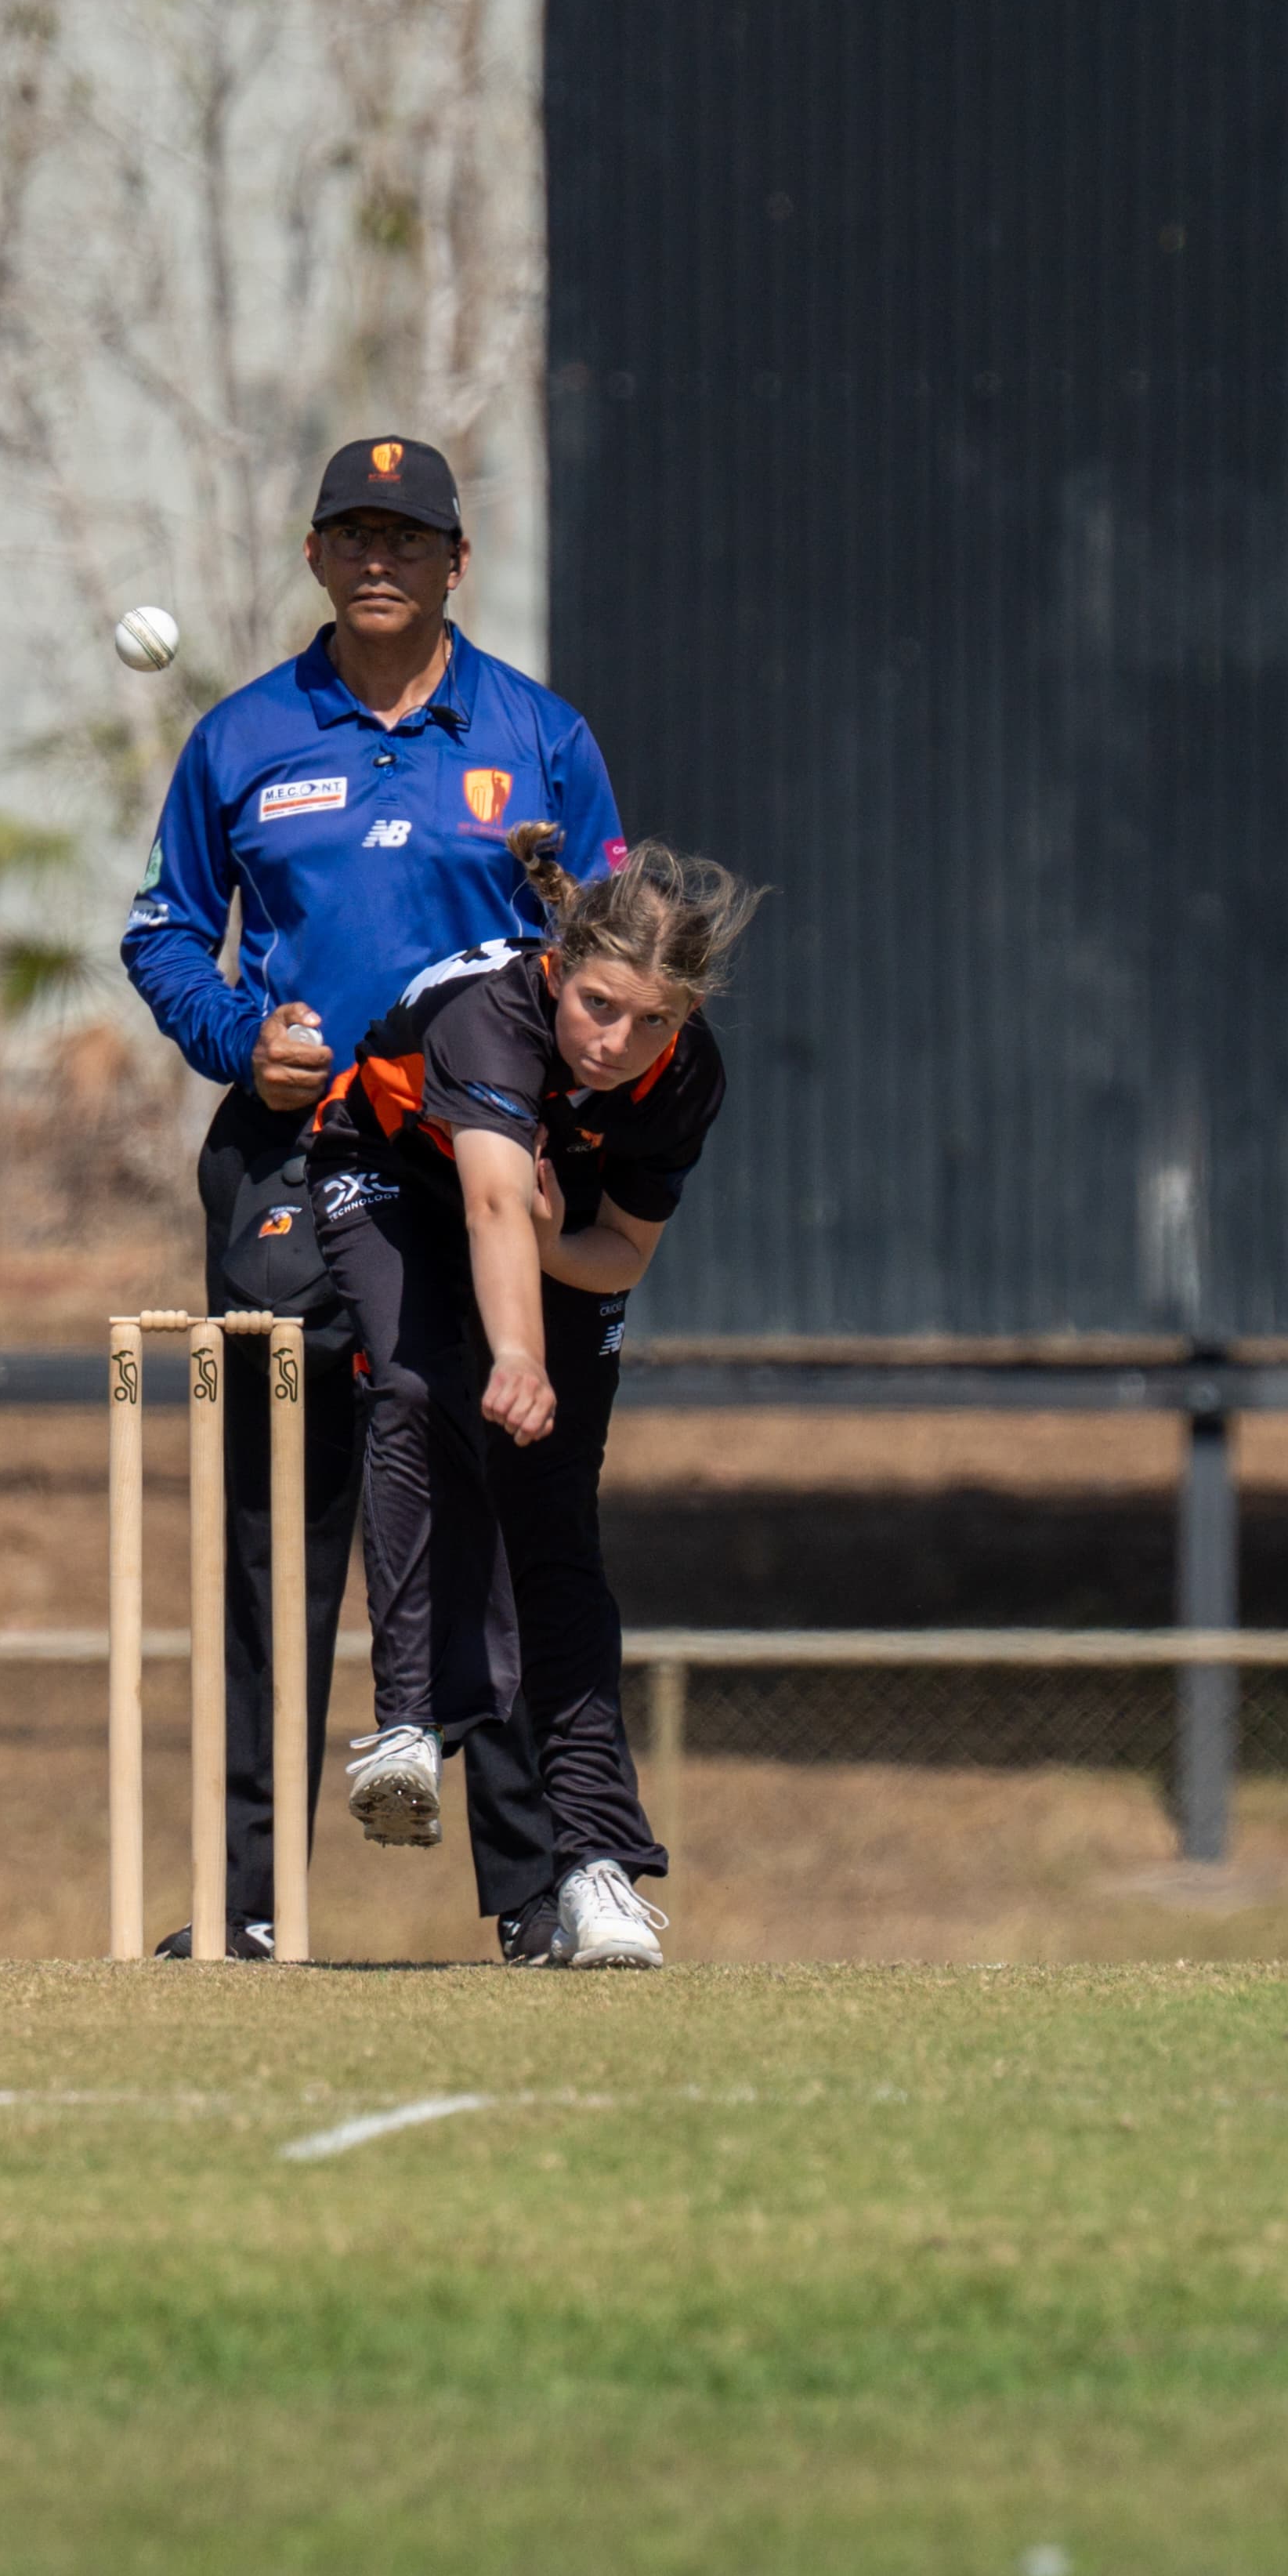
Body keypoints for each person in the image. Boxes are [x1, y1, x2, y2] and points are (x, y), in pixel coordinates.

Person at [120, 437, 625, 1960]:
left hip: (473, 1174)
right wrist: (238, 1042)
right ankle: (245, 1906)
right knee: (278, 1535)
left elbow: (606, 950)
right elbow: (159, 931)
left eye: (408, 535)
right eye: (351, 532)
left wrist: (562, 1117)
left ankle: (536, 1896)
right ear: (315, 555)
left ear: (457, 561)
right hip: (284, 1165)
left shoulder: (536, 735)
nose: (380, 557)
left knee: (502, 1509)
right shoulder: (244, 735)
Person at [303, 828, 754, 1966]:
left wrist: (559, 1257)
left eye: (653, 1019)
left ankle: (596, 1865)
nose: (619, 1041)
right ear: (561, 971)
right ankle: (407, 1722)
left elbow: (618, 1255)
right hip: (391, 1177)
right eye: (600, 1005)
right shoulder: (488, 1017)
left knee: (552, 1527)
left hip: (542, 1235)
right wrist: (518, 1353)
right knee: (412, 1387)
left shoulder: (684, 1076)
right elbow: (491, 1203)